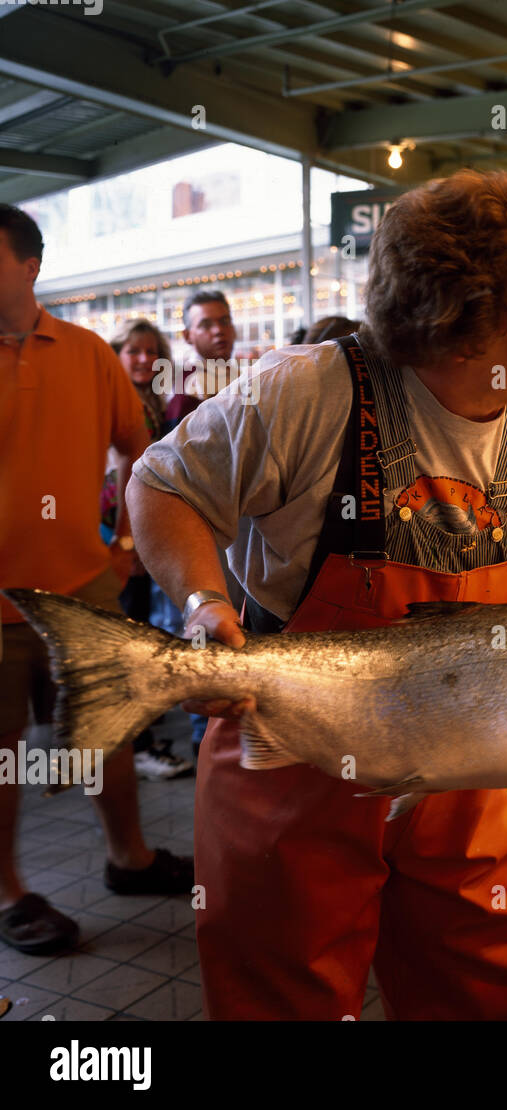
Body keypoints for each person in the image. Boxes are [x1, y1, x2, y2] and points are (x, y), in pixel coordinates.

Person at [126, 169, 507, 1020]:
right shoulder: (307, 392)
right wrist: (204, 607)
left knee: (492, 997)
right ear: (460, 328)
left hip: (463, 774)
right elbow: (161, 485)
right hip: (289, 760)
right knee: (280, 997)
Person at [0, 204, 195, 956]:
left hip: (83, 585)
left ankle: (129, 858)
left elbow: (137, 453)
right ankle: (10, 893)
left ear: (29, 266)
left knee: (105, 732)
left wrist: (127, 542)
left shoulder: (86, 353)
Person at [103, 319, 194, 781]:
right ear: (115, 355)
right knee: (125, 639)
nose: (144, 359)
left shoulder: (155, 403)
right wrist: (125, 541)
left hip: (138, 531)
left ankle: (138, 742)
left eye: (151, 351)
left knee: (137, 631)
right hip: (114, 533)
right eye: (133, 351)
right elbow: (117, 477)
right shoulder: (110, 402)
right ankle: (133, 747)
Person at [166, 289, 236, 432]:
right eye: (206, 325)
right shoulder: (187, 389)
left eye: (224, 321)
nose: (218, 330)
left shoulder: (242, 376)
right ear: (187, 336)